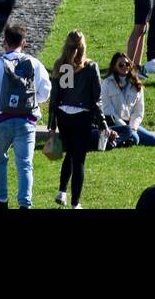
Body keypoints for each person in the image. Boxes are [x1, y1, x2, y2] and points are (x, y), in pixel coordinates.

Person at [0, 23, 51, 210]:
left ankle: (2, 201)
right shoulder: (34, 63)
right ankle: (25, 204)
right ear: (24, 42)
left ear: (5, 42)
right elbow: (45, 92)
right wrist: (33, 100)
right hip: (26, 121)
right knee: (25, 164)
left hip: (0, 120)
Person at [48, 30, 111, 209]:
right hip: (82, 116)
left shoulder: (61, 64)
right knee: (79, 159)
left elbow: (55, 97)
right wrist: (103, 122)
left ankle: (61, 191)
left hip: (63, 115)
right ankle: (75, 203)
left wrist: (52, 124)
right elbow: (96, 99)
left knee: (70, 152)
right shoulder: (90, 67)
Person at [101, 52, 155, 147]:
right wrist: (125, 128)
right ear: (114, 66)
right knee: (135, 139)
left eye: (127, 64)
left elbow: (139, 111)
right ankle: (121, 141)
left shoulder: (136, 84)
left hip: (131, 124)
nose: (125, 67)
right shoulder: (106, 84)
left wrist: (133, 128)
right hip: (115, 124)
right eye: (121, 65)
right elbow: (108, 110)